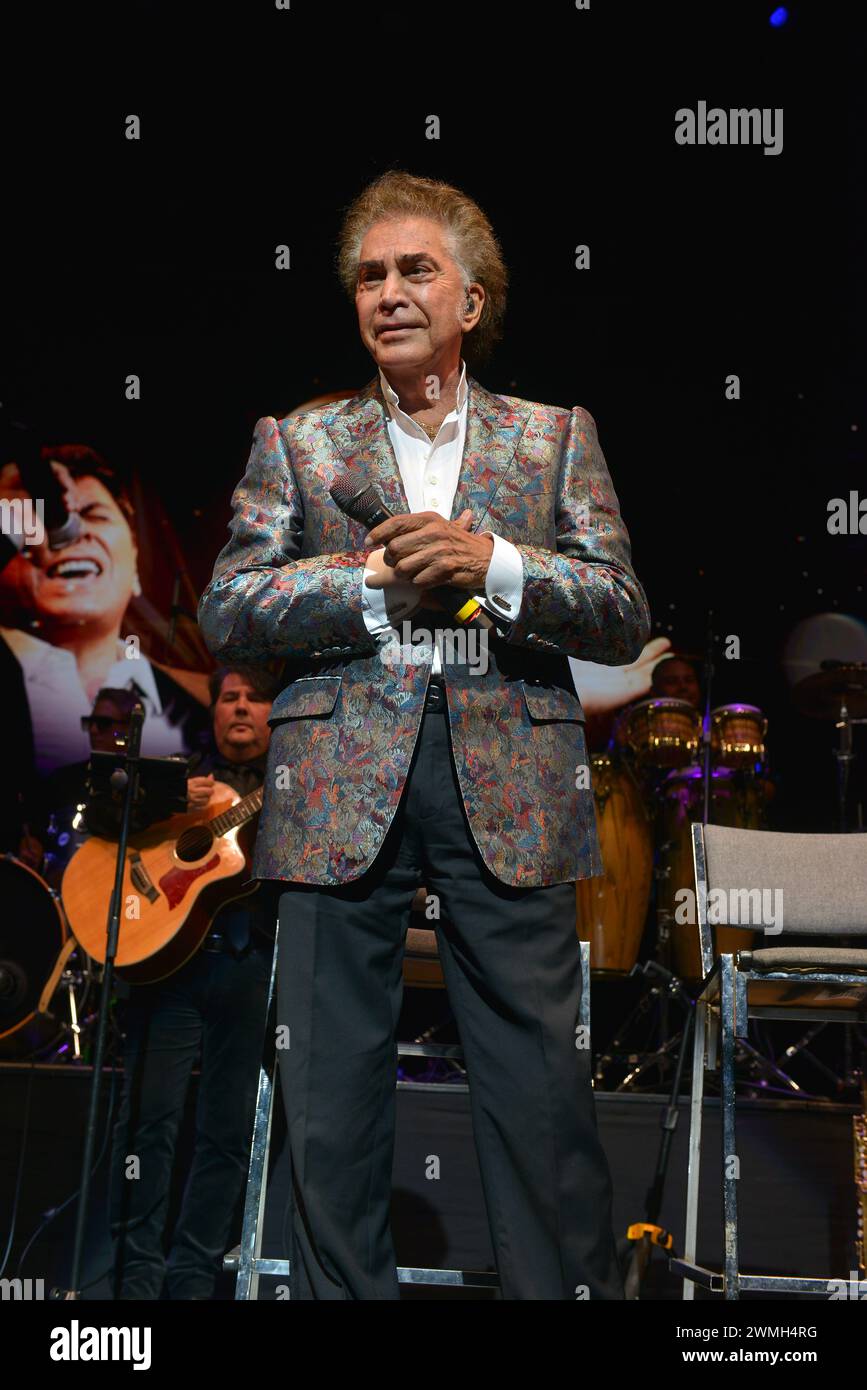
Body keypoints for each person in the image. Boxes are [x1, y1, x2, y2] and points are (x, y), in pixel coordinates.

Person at [198, 170, 651, 1300]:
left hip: (510, 777)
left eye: (416, 271)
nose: (389, 292)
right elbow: (228, 608)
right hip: (338, 781)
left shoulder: (552, 440)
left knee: (541, 1093)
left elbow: (620, 607)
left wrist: (493, 566)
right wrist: (365, 585)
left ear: (472, 301)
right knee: (330, 1097)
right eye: (369, 274)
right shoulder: (298, 443)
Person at [108, 665, 279, 1300]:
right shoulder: (181, 780)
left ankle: (190, 1277)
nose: (240, 708)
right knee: (146, 1123)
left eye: (255, 698)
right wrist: (160, 801)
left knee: (226, 1131)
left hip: (244, 964)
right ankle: (135, 1279)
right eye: (228, 697)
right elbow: (109, 833)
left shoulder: (294, 782)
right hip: (166, 967)